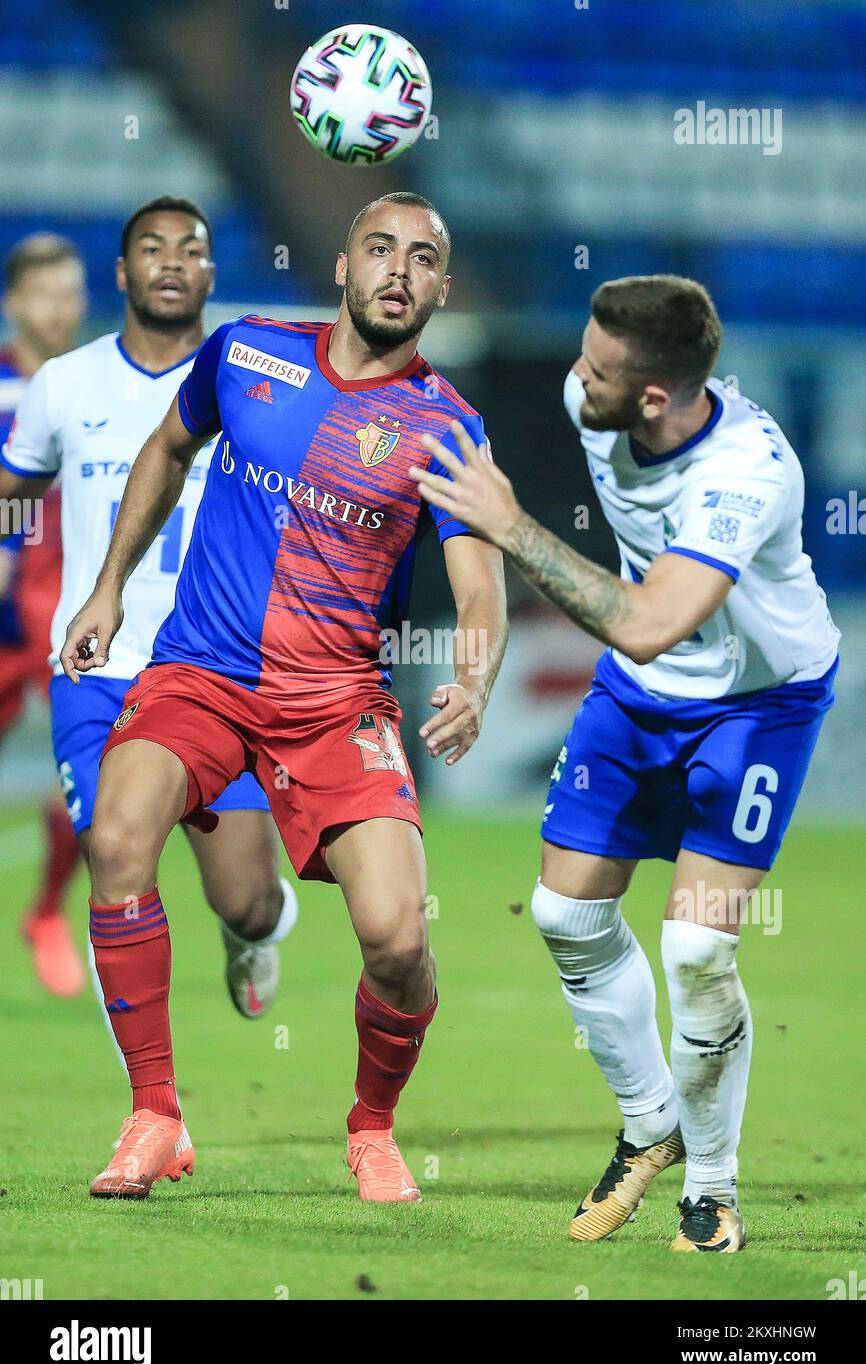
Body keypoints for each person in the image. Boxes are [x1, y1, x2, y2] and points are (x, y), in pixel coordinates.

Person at [60, 191, 508, 1203]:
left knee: (398, 939)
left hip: (334, 703)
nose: (399, 268)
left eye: (423, 257)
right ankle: (154, 1115)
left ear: (441, 287)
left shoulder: (449, 428)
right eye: (379, 248)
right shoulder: (244, 352)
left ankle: (371, 1125)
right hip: (201, 675)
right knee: (118, 838)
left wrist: (473, 679)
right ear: (341, 267)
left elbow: (481, 585)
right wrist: (106, 586)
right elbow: (167, 450)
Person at [412, 274, 839, 1253]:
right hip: (641, 692)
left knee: (694, 951)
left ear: (653, 395)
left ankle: (714, 1186)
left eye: (598, 368)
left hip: (754, 701)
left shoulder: (742, 474)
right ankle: (649, 1124)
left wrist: (512, 522)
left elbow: (647, 623)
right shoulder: (593, 398)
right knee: (564, 913)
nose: (575, 377)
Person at [0, 198, 298, 1036]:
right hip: (96, 669)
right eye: (151, 248)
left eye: (191, 249)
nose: (172, 261)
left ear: (210, 272)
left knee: (244, 899)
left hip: (218, 673)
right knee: (115, 863)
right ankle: (151, 1106)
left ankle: (257, 934)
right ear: (124, 273)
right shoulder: (64, 384)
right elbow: (12, 500)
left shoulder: (259, 380)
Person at [0, 233, 87, 995]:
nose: (63, 309)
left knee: (88, 777)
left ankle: (47, 912)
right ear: (13, 305)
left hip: (65, 614)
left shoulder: (91, 388)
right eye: (47, 294)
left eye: (73, 293)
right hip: (2, 613)